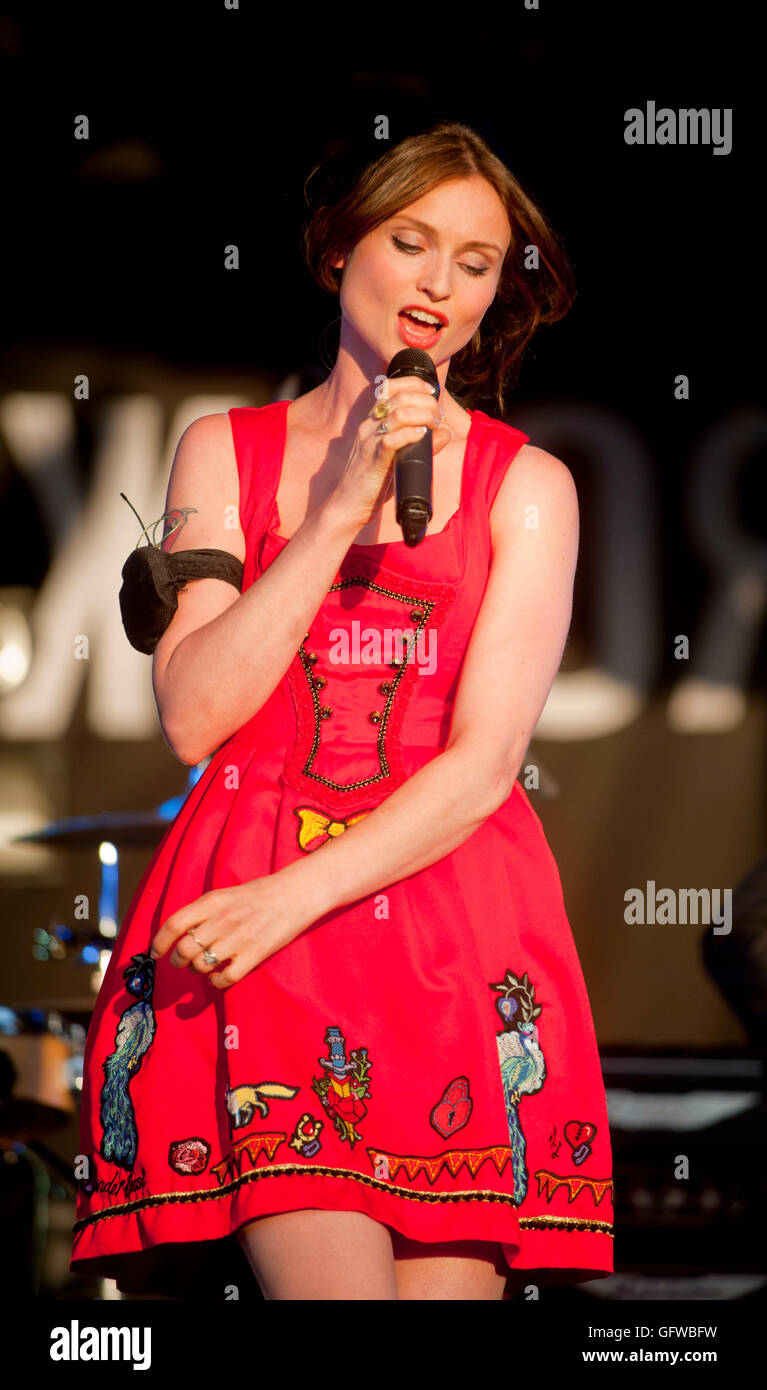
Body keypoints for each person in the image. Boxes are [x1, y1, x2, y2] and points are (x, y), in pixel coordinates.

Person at [70, 120, 614, 1300]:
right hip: (259, 913)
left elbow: (481, 766)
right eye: (411, 242)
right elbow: (196, 713)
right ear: (336, 253)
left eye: (474, 262)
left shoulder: (527, 486)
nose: (439, 282)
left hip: (439, 917)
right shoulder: (225, 449)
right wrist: (336, 506)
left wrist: (294, 894)